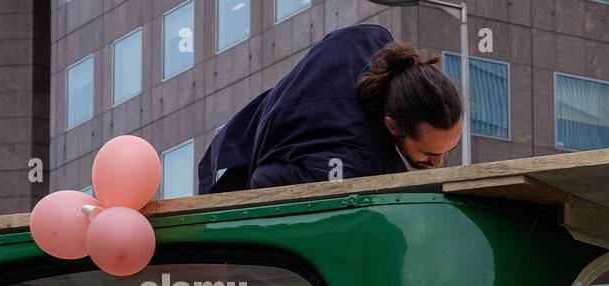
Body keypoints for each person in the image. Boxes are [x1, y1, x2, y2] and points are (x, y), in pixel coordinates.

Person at [198, 23, 463, 194]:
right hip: (235, 172)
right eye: (430, 153)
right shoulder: (346, 162)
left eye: (448, 150)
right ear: (392, 124)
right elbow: (262, 180)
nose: (438, 162)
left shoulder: (371, 42)